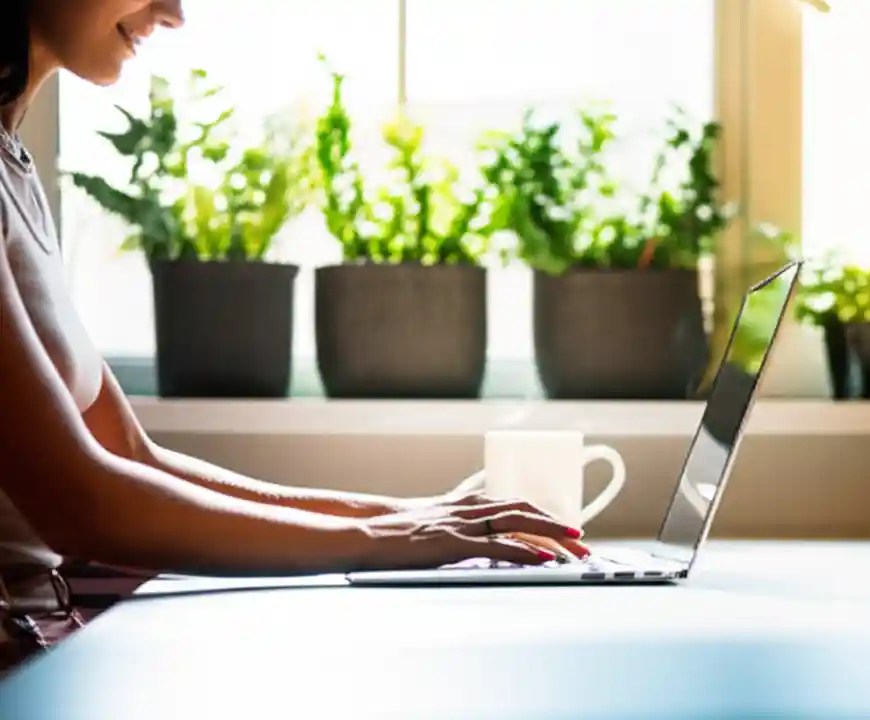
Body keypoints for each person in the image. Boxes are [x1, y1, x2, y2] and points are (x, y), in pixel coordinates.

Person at [0, 0, 587, 669]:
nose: (173, 12)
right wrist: (384, 540)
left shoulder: (13, 166)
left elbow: (133, 456)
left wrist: (403, 517)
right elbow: (83, 505)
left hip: (45, 642)